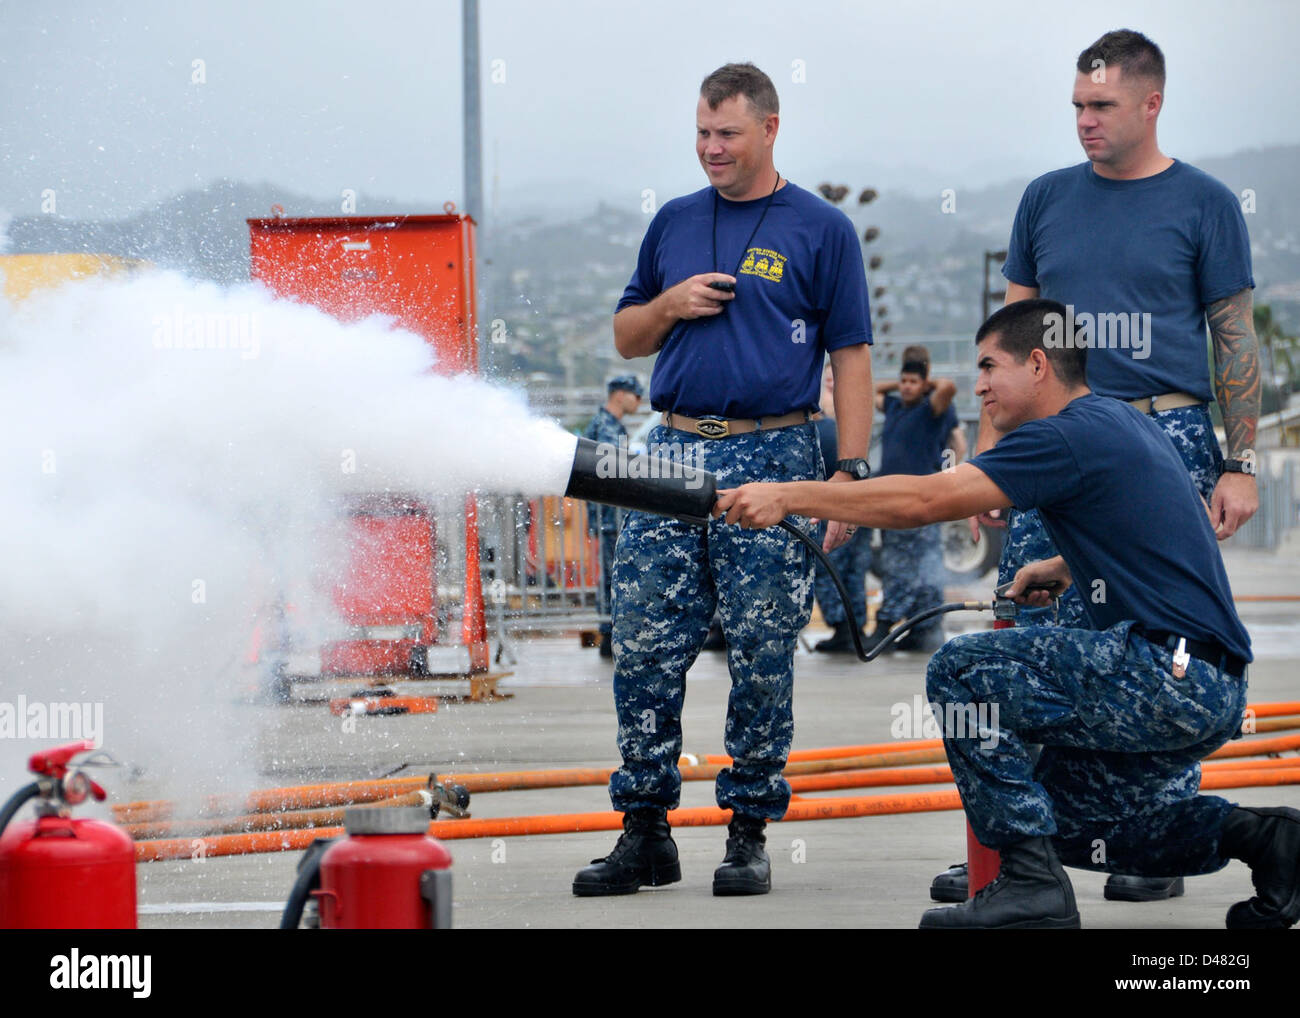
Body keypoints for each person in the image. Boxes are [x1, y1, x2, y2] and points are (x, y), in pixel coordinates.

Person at [717, 299, 1297, 931]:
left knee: (962, 673)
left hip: (1168, 672)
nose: (980, 385)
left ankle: (1029, 885)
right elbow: (1156, 524)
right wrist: (1066, 567)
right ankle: (1269, 842)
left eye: (991, 366)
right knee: (1071, 824)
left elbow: (923, 498)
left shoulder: (1064, 434)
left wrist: (786, 495)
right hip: (1205, 681)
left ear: (1039, 364)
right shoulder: (1117, 423)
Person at [939, 26, 1263, 907]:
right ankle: (1022, 844)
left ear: (1151, 104)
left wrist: (1239, 461)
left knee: (1152, 646)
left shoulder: (1203, 202)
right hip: (1052, 442)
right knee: (1035, 637)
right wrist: (990, 457)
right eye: (1077, 106)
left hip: (1163, 443)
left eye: (1102, 106)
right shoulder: (1046, 200)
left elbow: (1233, 336)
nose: (1084, 121)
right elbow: (1009, 340)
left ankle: (1148, 845)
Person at [571, 62, 874, 898]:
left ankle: (746, 831)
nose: (711, 147)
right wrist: (670, 304)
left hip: (773, 453)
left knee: (763, 649)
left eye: (727, 133)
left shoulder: (822, 229)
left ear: (769, 129)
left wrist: (847, 473)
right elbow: (629, 336)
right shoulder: (672, 222)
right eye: (702, 133)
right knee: (642, 647)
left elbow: (851, 357)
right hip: (669, 453)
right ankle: (644, 832)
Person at [866, 346, 958, 654]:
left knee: (910, 565)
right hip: (891, 498)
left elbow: (949, 387)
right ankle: (922, 630)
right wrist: (901, 381)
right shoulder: (894, 407)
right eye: (903, 381)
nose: (906, 387)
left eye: (912, 382)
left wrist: (925, 382)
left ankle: (890, 625)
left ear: (924, 384)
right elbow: (868, 390)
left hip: (920, 498)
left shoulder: (931, 409)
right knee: (907, 563)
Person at [811, 362, 873, 653]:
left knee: (831, 571)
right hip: (859, 507)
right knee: (854, 572)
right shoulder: (841, 430)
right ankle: (854, 628)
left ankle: (842, 628)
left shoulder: (820, 431)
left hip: (831, 511)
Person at [583, 374, 644, 659]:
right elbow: (613, 470)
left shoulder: (610, 425)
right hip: (609, 517)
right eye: (636, 395)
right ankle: (609, 634)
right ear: (620, 395)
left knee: (614, 573)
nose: (639, 401)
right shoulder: (606, 427)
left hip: (612, 516)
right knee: (611, 575)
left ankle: (611, 630)